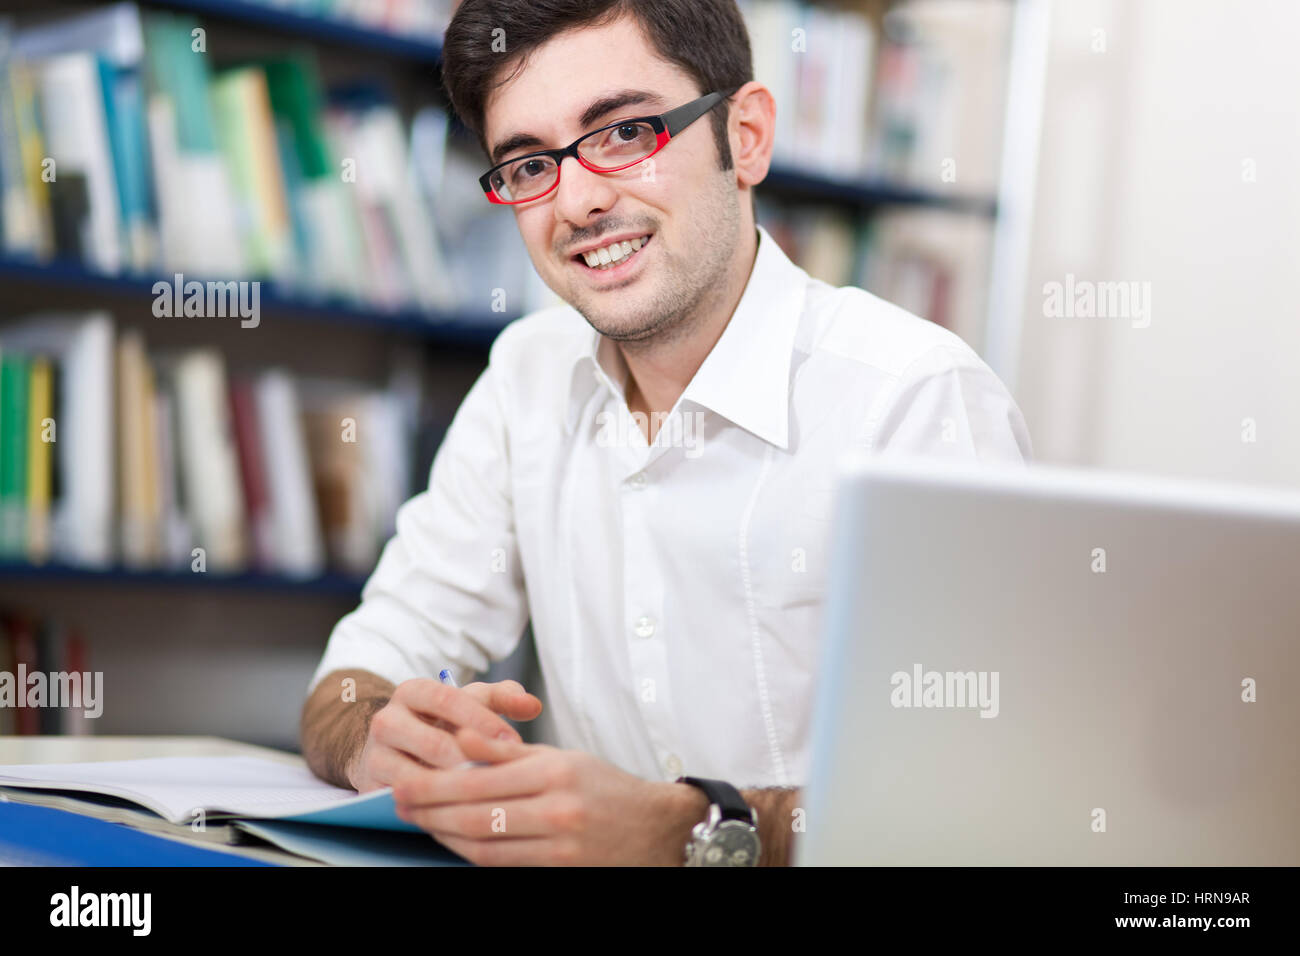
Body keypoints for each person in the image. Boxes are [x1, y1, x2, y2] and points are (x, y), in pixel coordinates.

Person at [300, 0, 1031, 866]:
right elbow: (349, 678)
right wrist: (379, 736)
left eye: (623, 134)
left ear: (746, 136)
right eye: (530, 163)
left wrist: (687, 829)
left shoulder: (915, 402)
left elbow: (984, 805)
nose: (577, 201)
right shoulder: (525, 378)